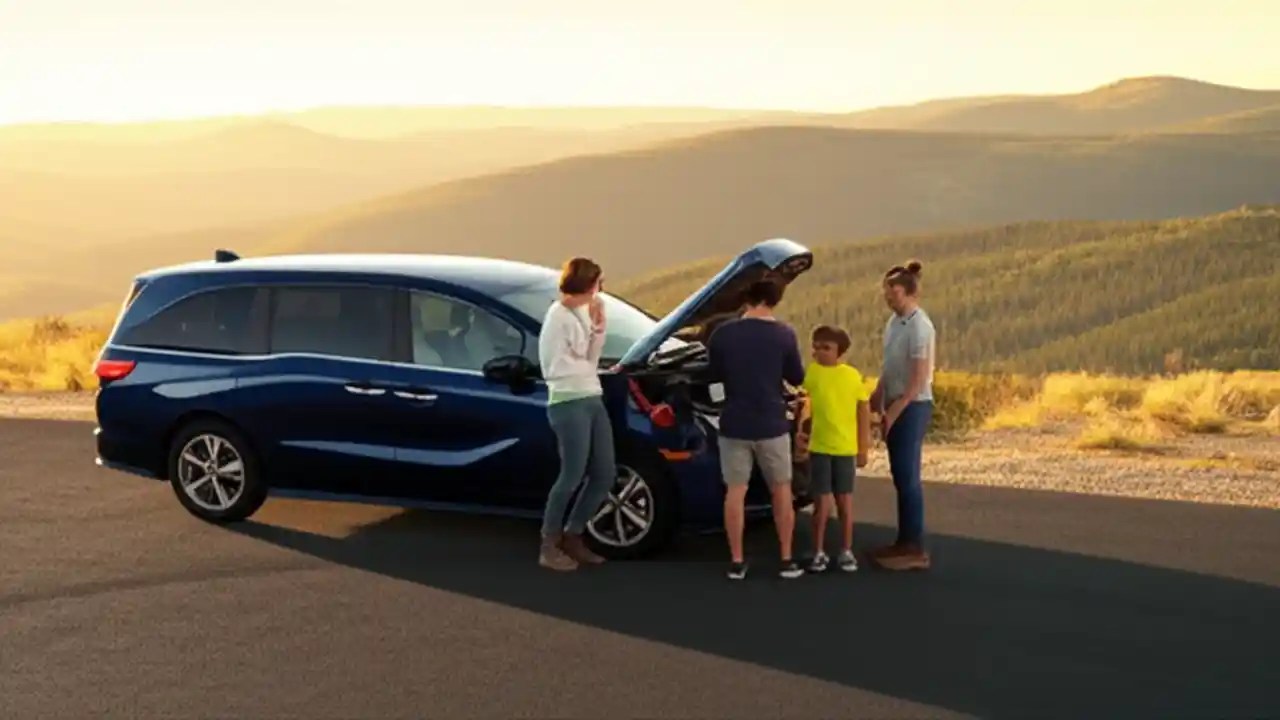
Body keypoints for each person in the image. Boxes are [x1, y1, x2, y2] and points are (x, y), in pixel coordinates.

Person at [708, 279, 806, 580]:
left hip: (734, 423)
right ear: (774, 301)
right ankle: (786, 558)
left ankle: (737, 561)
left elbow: (713, 375)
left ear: (746, 299)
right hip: (772, 423)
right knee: (782, 490)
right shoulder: (784, 334)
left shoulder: (723, 333)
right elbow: (796, 376)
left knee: (735, 492)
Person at [536, 257, 616, 572]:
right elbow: (559, 366)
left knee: (604, 472)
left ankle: (574, 534)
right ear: (588, 284)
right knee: (571, 474)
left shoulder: (581, 313)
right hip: (568, 402)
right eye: (599, 283)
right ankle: (549, 544)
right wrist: (588, 340)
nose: (601, 289)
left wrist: (599, 327)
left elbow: (589, 359)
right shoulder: (558, 317)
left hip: (591, 396)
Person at [869, 260, 936, 571]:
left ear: (909, 293)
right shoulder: (894, 323)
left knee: (908, 476)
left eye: (893, 291)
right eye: (886, 291)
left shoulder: (921, 327)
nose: (888, 297)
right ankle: (904, 540)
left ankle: (915, 547)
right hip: (894, 399)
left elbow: (918, 378)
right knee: (899, 473)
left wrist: (895, 411)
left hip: (913, 405)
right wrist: (878, 394)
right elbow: (890, 365)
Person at [797, 325, 870, 573]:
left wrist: (863, 448)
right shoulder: (813, 373)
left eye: (826, 348)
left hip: (845, 449)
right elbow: (804, 405)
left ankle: (846, 550)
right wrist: (801, 436)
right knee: (821, 503)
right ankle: (818, 551)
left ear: (840, 352)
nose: (819, 352)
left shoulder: (852, 376)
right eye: (816, 347)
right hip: (819, 447)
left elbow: (863, 412)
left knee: (844, 502)